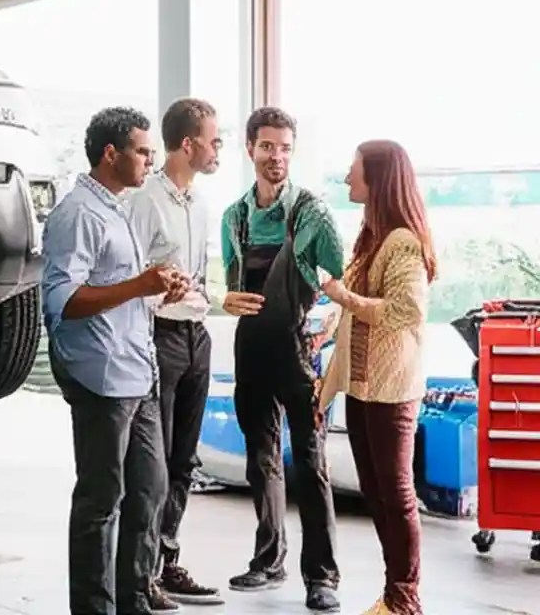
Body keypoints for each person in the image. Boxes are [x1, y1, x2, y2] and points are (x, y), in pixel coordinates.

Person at [41, 106, 191, 615]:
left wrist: (158, 293)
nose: (151, 160)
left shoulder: (118, 209)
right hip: (101, 376)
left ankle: (133, 598)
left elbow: (120, 291)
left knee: (149, 487)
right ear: (112, 154)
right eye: (143, 151)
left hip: (137, 370)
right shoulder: (78, 214)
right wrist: (140, 284)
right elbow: (64, 300)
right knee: (101, 501)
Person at [219, 106, 344, 612]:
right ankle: (268, 561)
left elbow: (342, 282)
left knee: (311, 464)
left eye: (286, 147)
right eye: (268, 146)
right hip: (251, 351)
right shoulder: (236, 216)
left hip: (298, 355)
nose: (278, 156)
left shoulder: (310, 213)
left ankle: (322, 576)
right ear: (250, 149)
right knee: (261, 462)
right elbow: (232, 285)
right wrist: (225, 298)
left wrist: (326, 331)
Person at [316, 140, 435, 615]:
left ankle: (405, 599)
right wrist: (327, 325)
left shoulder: (403, 241)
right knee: (376, 491)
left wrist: (342, 298)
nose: (348, 178)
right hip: (363, 385)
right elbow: (353, 306)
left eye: (354, 170)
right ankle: (393, 595)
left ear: (378, 179)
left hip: (390, 388)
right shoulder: (374, 236)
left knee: (397, 493)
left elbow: (407, 311)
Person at [125, 97, 224, 605]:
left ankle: (167, 561)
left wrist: (213, 298)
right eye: (214, 138)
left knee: (185, 461)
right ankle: (139, 575)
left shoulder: (201, 204)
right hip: (159, 337)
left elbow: (199, 279)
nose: (219, 148)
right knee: (154, 465)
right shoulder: (146, 202)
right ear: (188, 144)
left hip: (196, 338)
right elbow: (125, 275)